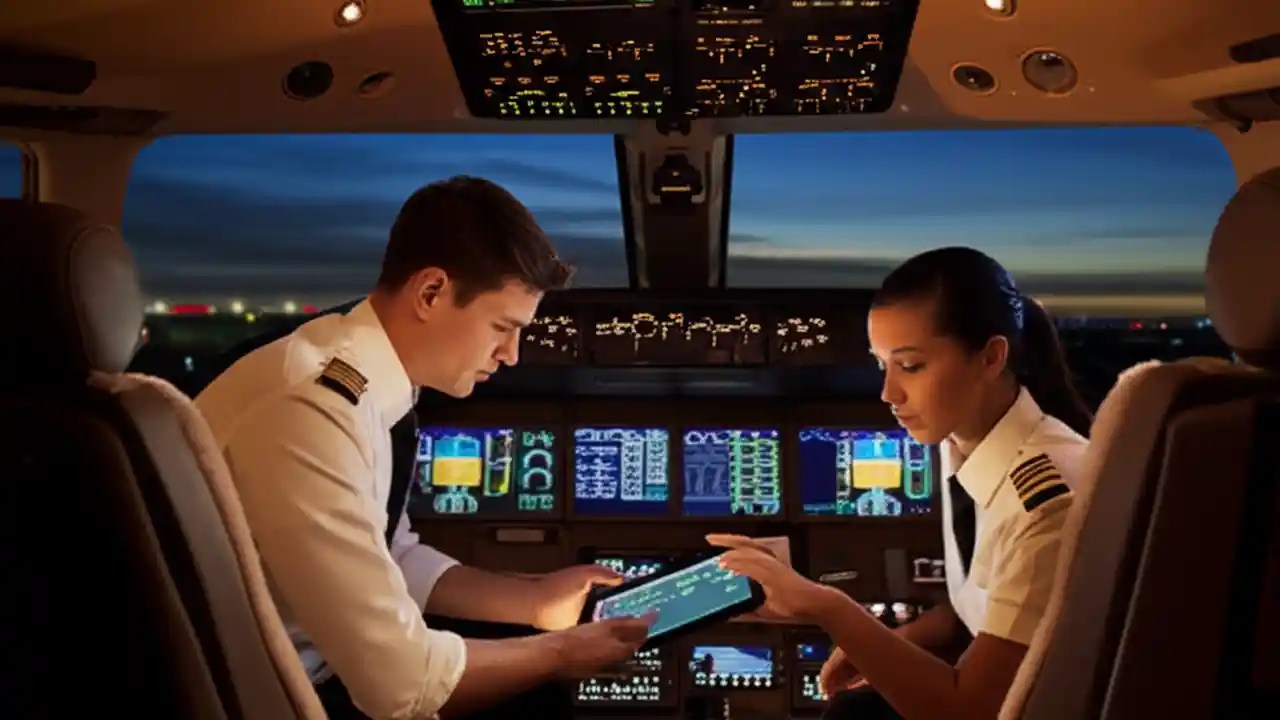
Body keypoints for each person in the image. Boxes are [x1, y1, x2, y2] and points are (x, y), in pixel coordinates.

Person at [195, 176, 653, 720]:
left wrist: (534, 601)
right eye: (502, 327)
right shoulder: (312, 408)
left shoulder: (365, 382)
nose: (511, 355)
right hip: (270, 694)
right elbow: (402, 687)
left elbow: (393, 554)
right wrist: (561, 653)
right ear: (430, 292)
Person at [708, 246, 1093, 719]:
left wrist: (831, 609)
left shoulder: (1047, 503)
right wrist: (888, 644)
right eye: (881, 365)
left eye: (911, 366)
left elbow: (969, 712)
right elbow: (991, 604)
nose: (888, 393)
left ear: (991, 357)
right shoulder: (962, 445)